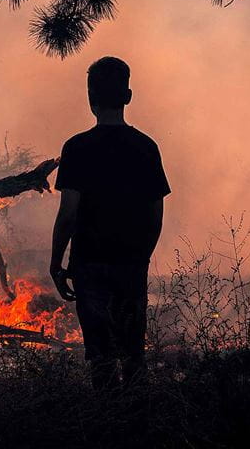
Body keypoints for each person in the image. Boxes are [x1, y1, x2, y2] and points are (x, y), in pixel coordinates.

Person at [48, 56, 170, 389]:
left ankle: (105, 416)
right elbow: (155, 215)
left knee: (100, 358)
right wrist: (141, 257)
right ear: (127, 96)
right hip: (130, 263)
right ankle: (136, 415)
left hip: (89, 264)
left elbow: (68, 213)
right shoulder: (146, 148)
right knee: (133, 355)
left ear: (91, 98)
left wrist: (56, 263)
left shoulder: (76, 148)